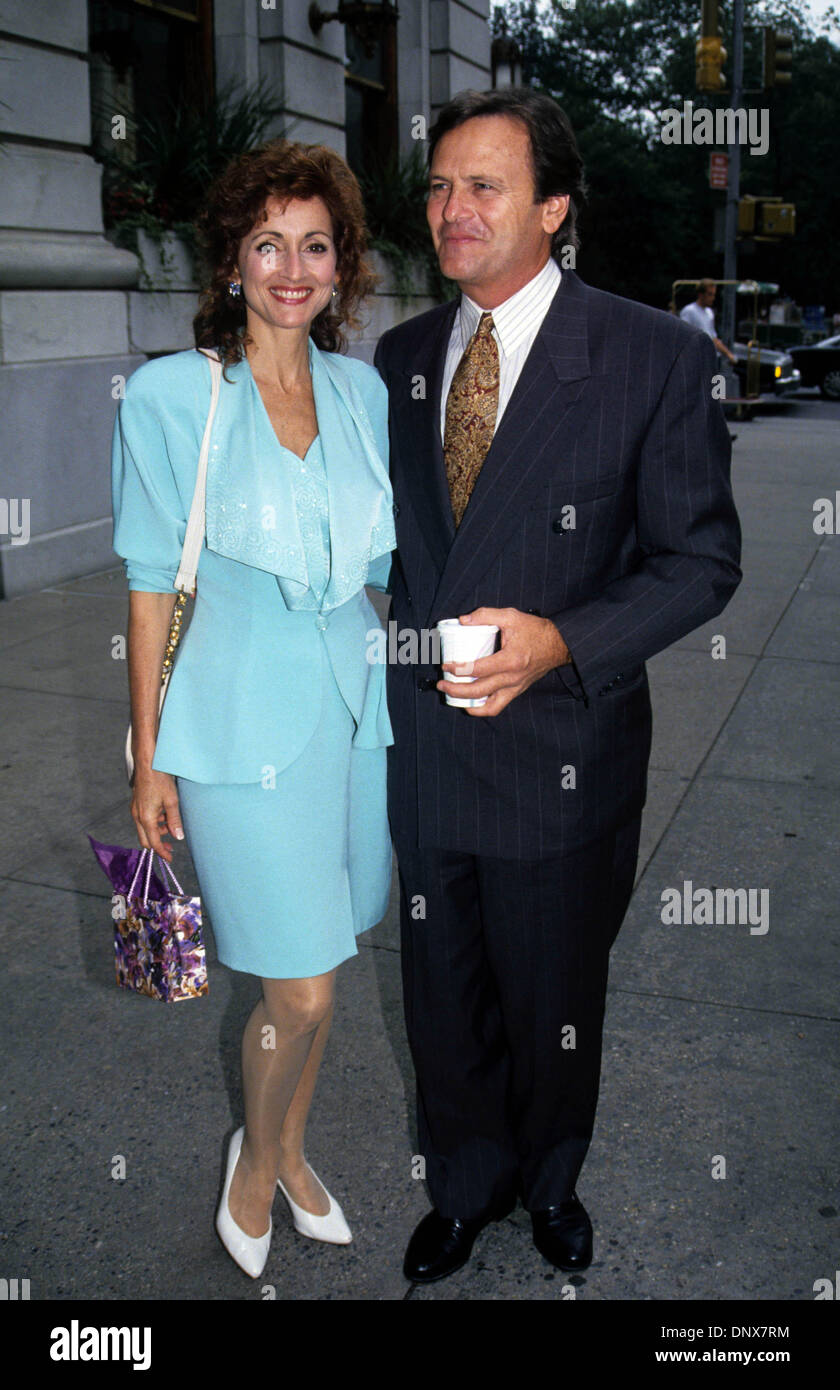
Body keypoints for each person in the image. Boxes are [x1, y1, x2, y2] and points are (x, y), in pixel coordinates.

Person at [374, 89, 741, 1284]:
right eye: (439, 186)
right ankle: (465, 1184)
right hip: (428, 750)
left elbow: (701, 561)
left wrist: (564, 641)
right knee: (442, 989)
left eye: (484, 185)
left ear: (554, 207)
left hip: (562, 754)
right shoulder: (402, 358)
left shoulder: (650, 356)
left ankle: (549, 1182)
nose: (452, 208)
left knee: (553, 994)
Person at [111, 139, 395, 1280]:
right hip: (232, 722)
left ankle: (286, 1143)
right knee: (302, 984)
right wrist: (148, 762)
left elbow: (377, 557)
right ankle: (254, 1157)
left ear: (341, 266)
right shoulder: (179, 394)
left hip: (352, 706)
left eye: (314, 245)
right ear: (232, 259)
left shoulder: (361, 388)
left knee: (328, 958)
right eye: (268, 243)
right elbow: (145, 581)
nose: (292, 267)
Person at [679, 278, 738, 368]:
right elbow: (683, 337)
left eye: (714, 295)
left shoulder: (709, 313)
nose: (713, 298)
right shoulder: (689, 311)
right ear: (700, 294)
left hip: (708, 360)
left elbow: (713, 338)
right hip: (694, 360)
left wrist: (728, 354)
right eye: (710, 294)